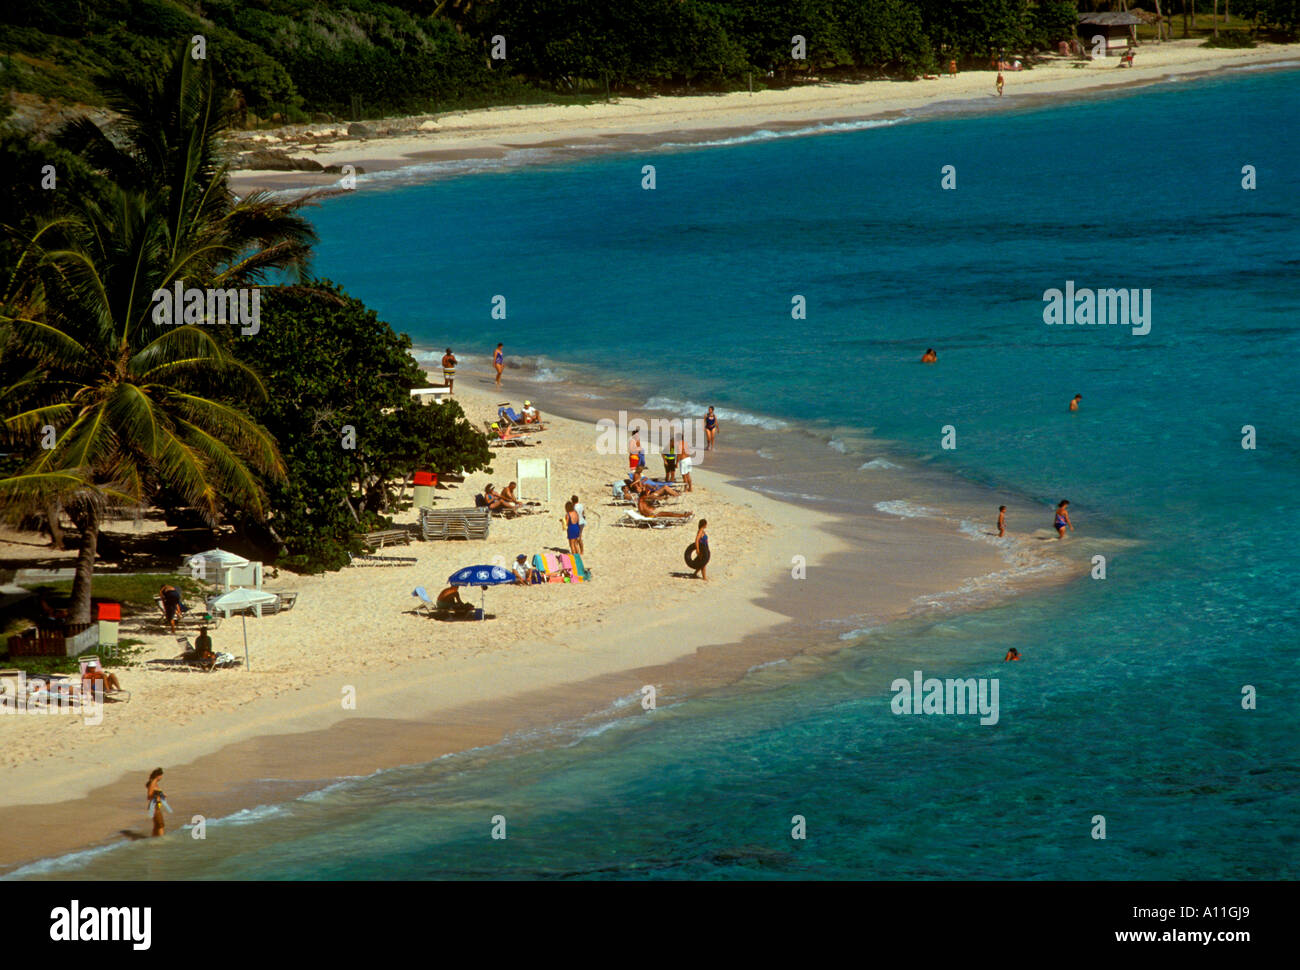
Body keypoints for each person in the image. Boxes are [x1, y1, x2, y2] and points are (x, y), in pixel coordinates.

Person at [146, 768, 170, 837]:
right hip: (154, 806)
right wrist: (158, 795)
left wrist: (161, 795)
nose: (162, 777)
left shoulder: (154, 783)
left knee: (157, 825)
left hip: (156, 806)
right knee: (161, 824)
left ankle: (154, 838)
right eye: (161, 775)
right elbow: (149, 796)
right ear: (158, 776)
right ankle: (162, 839)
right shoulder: (153, 783)